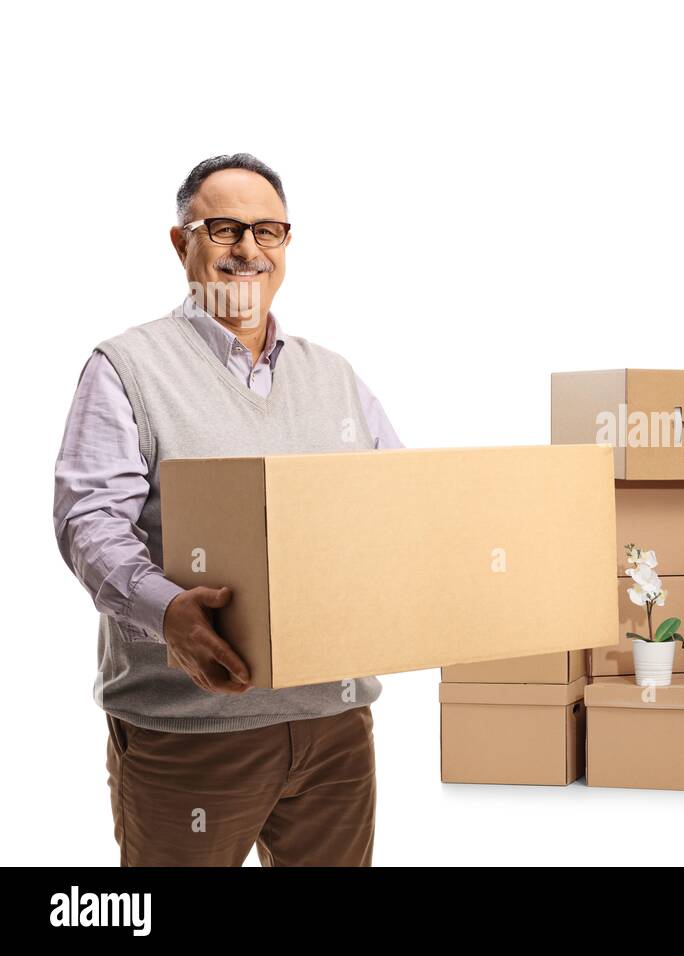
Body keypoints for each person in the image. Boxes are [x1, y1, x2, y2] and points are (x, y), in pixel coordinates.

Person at [53, 153, 402, 866]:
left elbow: (400, 505)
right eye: (224, 229)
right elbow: (89, 523)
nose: (248, 250)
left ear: (286, 246)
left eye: (268, 231)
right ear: (182, 244)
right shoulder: (127, 367)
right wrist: (165, 609)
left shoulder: (333, 375)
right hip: (190, 732)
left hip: (335, 726)